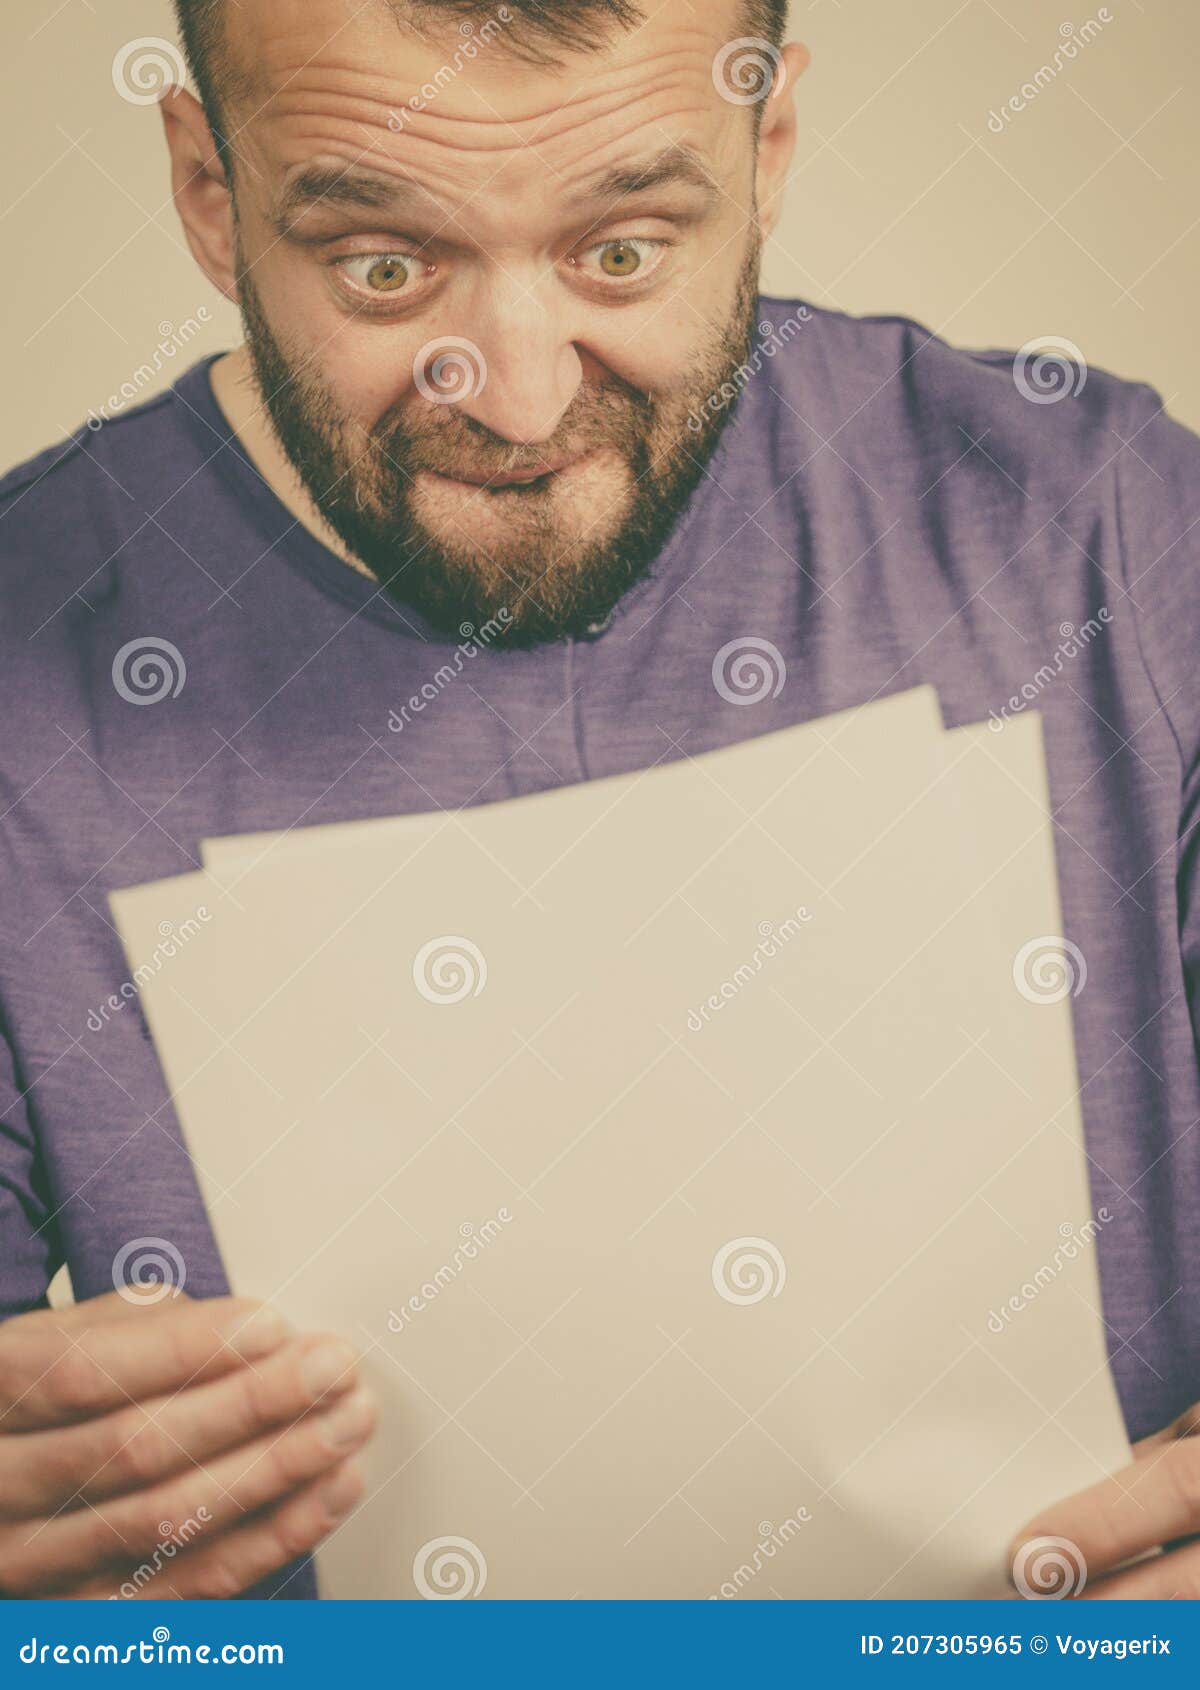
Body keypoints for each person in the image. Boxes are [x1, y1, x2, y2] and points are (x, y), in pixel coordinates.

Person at [1, 0, 1198, 1600]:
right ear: (210, 193)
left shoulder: (1103, 527)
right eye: (383, 266)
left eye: (623, 250)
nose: (514, 395)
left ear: (765, 150)